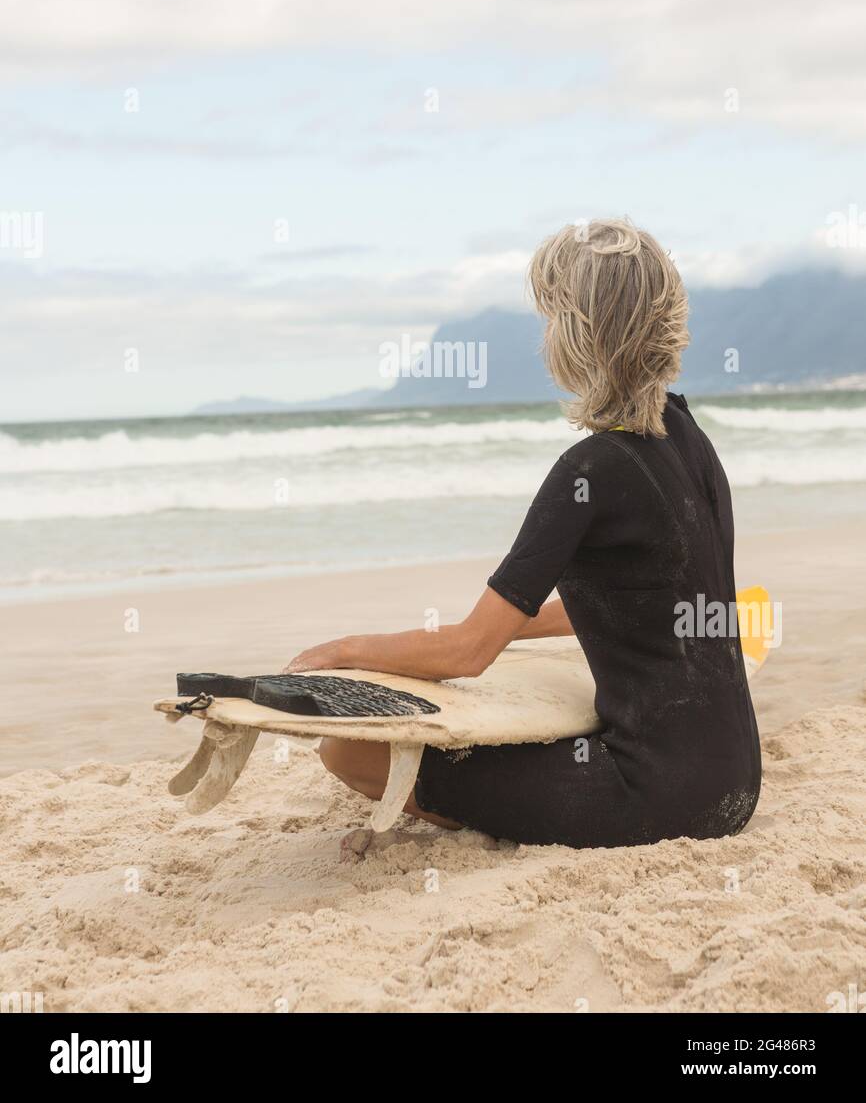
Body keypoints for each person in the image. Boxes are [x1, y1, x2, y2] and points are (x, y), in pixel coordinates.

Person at [284, 219, 762, 848]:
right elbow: (657, 603)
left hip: (654, 795)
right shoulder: (688, 434)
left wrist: (341, 652)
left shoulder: (587, 471)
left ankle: (472, 818)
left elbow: (466, 655)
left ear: (578, 332)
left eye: (552, 318)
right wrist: (515, 628)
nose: (545, 337)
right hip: (733, 782)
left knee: (349, 754)